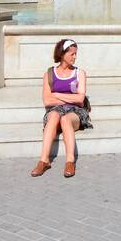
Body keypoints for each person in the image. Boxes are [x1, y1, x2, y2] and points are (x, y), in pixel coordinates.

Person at [31, 38, 91, 179]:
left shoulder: (79, 73)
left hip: (75, 112)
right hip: (54, 110)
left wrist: (57, 94)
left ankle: (69, 162)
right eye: (72, 54)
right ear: (62, 54)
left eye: (76, 54)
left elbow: (80, 99)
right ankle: (44, 161)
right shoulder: (49, 74)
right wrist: (69, 97)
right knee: (54, 116)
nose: (75, 57)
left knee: (65, 119)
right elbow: (47, 100)